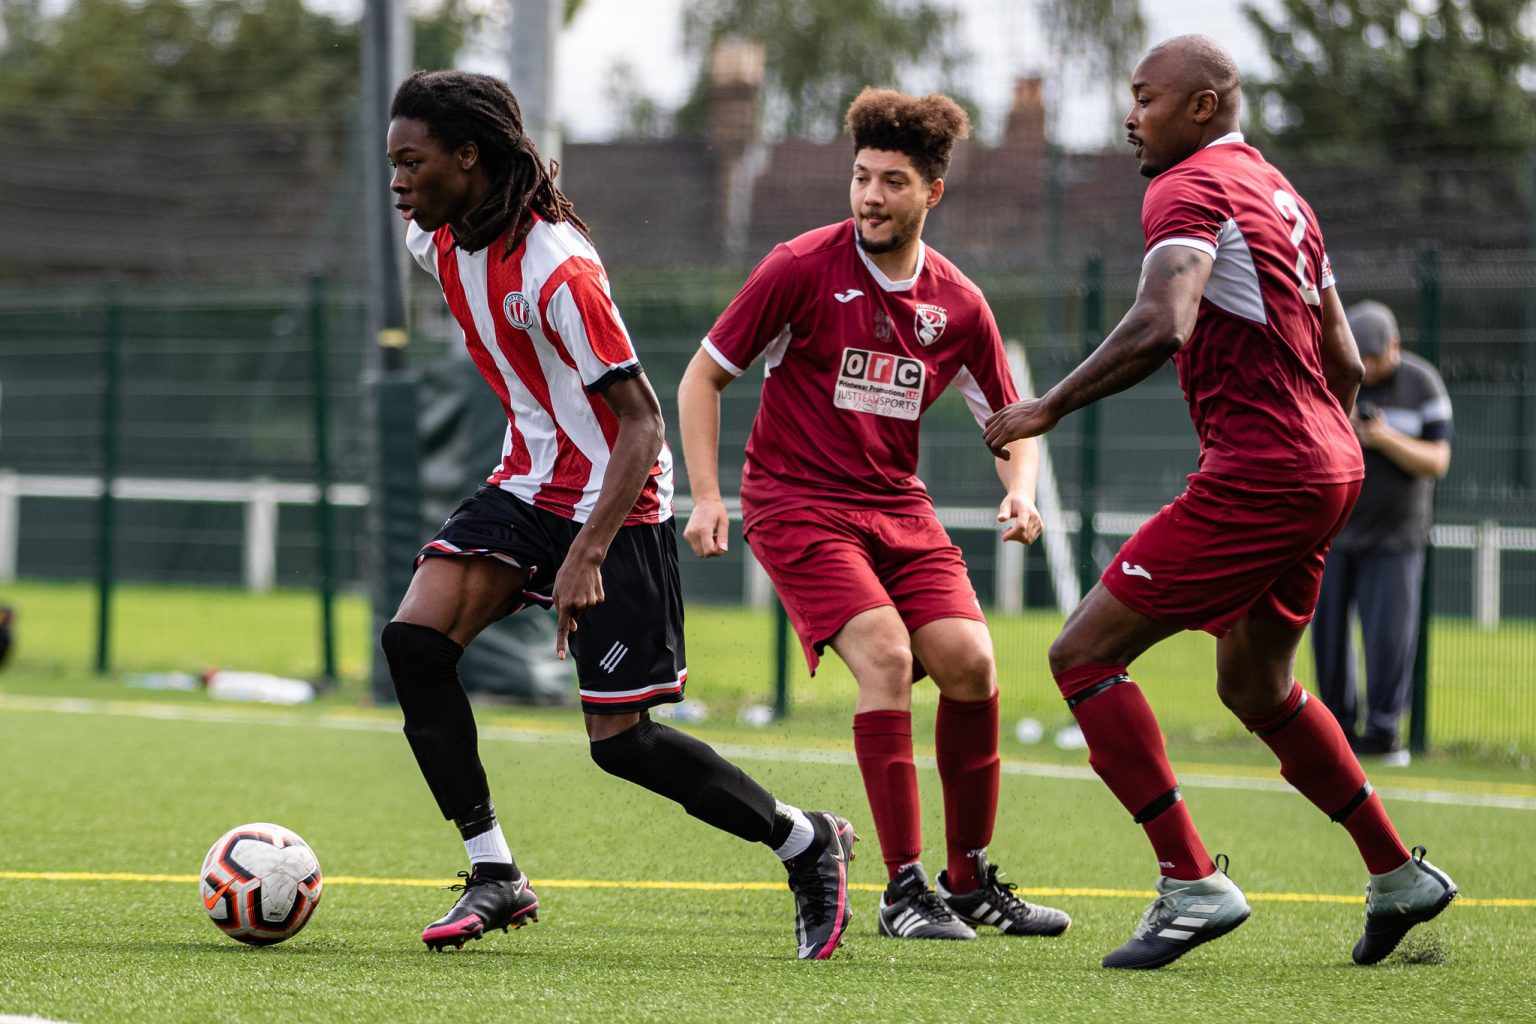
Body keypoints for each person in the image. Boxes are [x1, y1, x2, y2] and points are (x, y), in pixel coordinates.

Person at [982, 36, 1457, 969]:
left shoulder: (1187, 187)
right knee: (1254, 684)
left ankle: (1191, 883)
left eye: (1145, 98)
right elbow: (1347, 362)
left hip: (1266, 471)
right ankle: (1399, 875)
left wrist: (1046, 405)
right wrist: (1320, 444)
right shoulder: (1283, 194)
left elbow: (1165, 320)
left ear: (1201, 108)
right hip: (1326, 469)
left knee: (1081, 655)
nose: (1130, 117)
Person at [381, 69, 856, 960]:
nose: (399, 181)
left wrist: (587, 552)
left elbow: (641, 421)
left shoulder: (559, 266)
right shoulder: (432, 239)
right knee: (414, 643)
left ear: (468, 157)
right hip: (527, 484)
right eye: (393, 163)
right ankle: (494, 872)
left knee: (622, 743)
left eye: (413, 161)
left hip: (619, 498)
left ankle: (805, 842)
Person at [679, 87, 1071, 943]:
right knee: (889, 658)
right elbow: (703, 376)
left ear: (933, 192)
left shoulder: (959, 304)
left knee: (971, 663)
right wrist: (709, 497)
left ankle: (967, 882)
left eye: (892, 181)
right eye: (861, 177)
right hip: (797, 503)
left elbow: (1012, 422)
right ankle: (902, 889)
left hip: (897, 508)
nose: (870, 197)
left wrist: (1021, 491)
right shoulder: (799, 266)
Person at [1313, 301, 1452, 765]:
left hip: (1396, 539)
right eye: (1360, 356)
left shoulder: (1422, 382)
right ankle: (1334, 731)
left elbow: (1437, 461)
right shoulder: (1333, 375)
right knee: (1327, 637)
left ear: (1394, 345)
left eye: (1373, 358)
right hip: (1334, 534)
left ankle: (1384, 735)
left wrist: (1384, 438)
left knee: (1389, 638)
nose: (1365, 368)